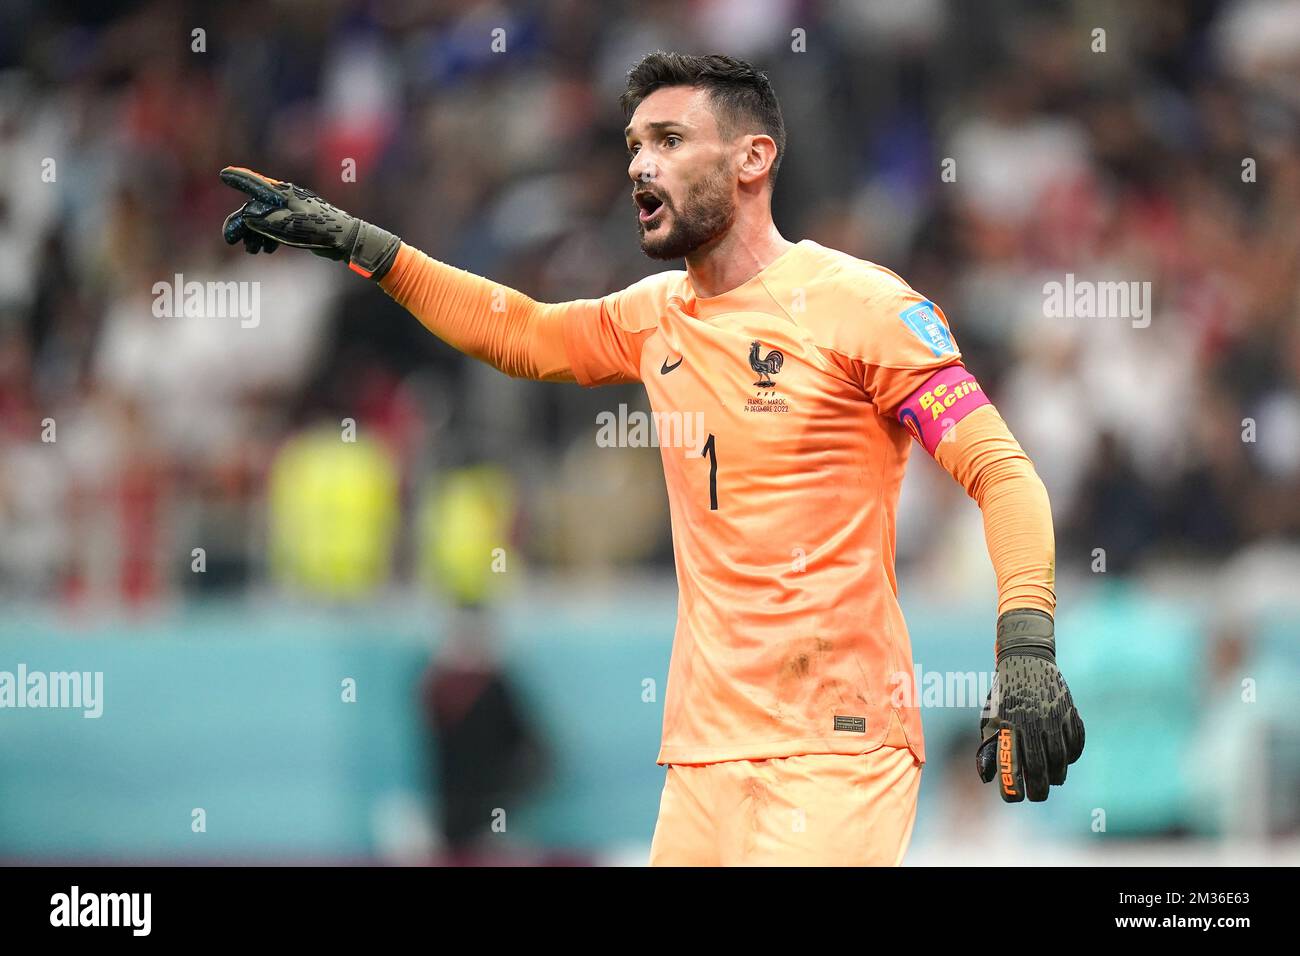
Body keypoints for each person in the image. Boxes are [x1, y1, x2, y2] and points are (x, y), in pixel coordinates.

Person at [221, 51, 1084, 866]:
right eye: (633, 145)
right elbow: (520, 331)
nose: (639, 165)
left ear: (753, 158)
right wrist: (364, 246)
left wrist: (1026, 649)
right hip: (703, 756)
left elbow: (1003, 474)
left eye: (668, 141)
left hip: (836, 740)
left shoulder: (862, 307)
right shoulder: (655, 316)